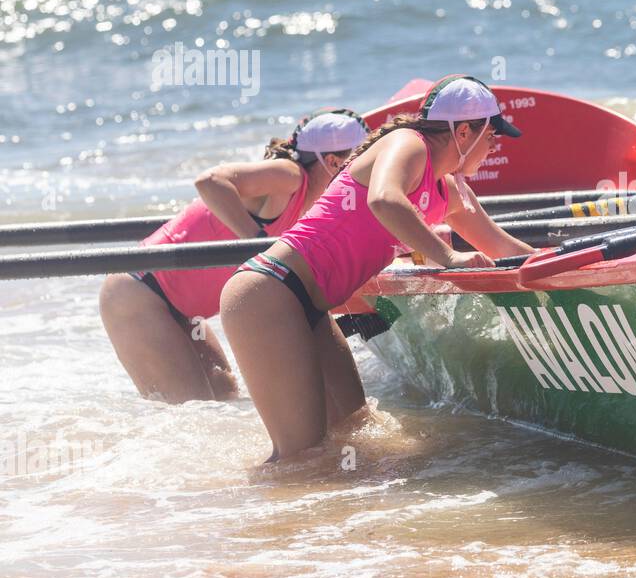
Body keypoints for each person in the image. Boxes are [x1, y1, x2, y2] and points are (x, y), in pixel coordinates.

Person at [219, 76, 535, 461]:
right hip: (268, 293)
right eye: (493, 135)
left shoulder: (449, 190)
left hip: (311, 310)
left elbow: (503, 247)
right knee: (302, 458)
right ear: (464, 131)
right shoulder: (408, 143)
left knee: (356, 435)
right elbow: (385, 200)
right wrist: (450, 258)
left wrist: (555, 270)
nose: (494, 145)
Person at [99, 109, 369, 403]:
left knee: (224, 397)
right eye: (361, 162)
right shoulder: (290, 176)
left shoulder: (309, 204)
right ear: (332, 162)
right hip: (137, 294)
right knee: (190, 409)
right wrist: (256, 243)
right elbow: (209, 181)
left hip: (179, 308)